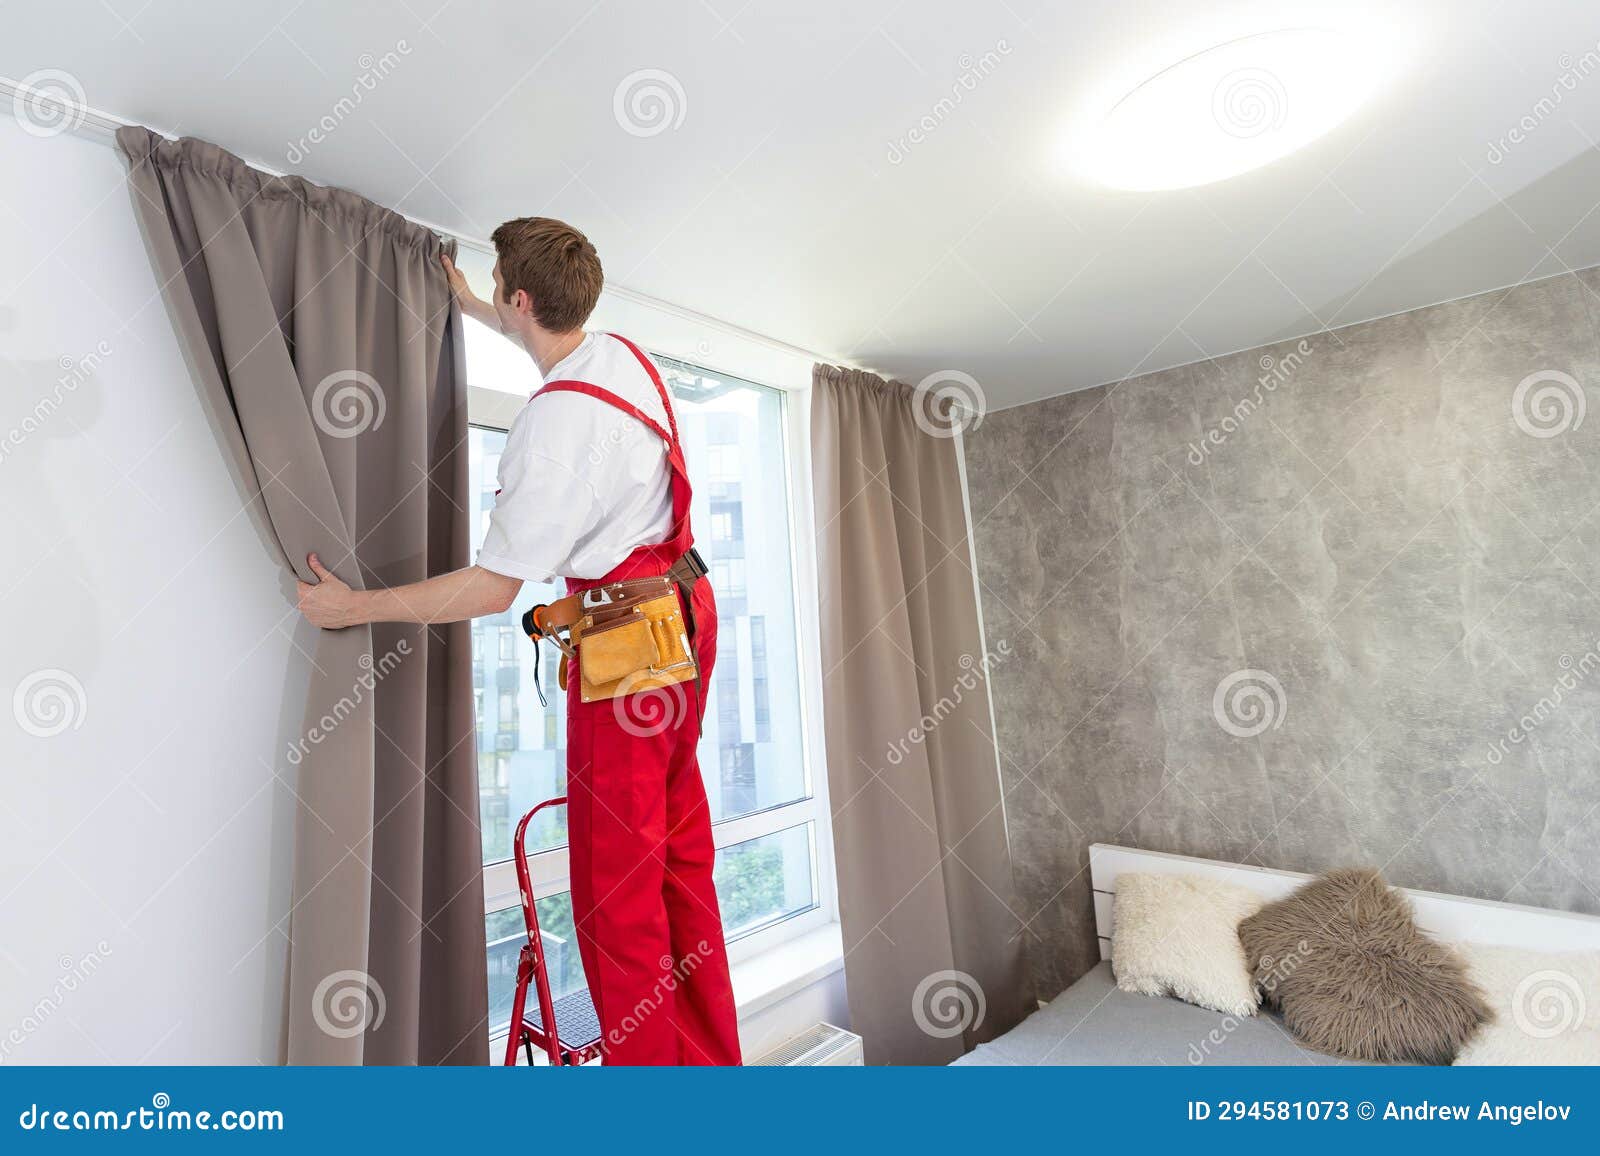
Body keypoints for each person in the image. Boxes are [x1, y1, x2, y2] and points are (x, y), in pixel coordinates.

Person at [294, 216, 742, 1066]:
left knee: (617, 895)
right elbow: (553, 351)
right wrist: (470, 304)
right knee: (678, 861)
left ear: (522, 296)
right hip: (687, 615)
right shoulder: (622, 357)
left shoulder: (550, 426)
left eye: (500, 287)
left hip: (629, 646)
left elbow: (493, 587)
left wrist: (356, 608)